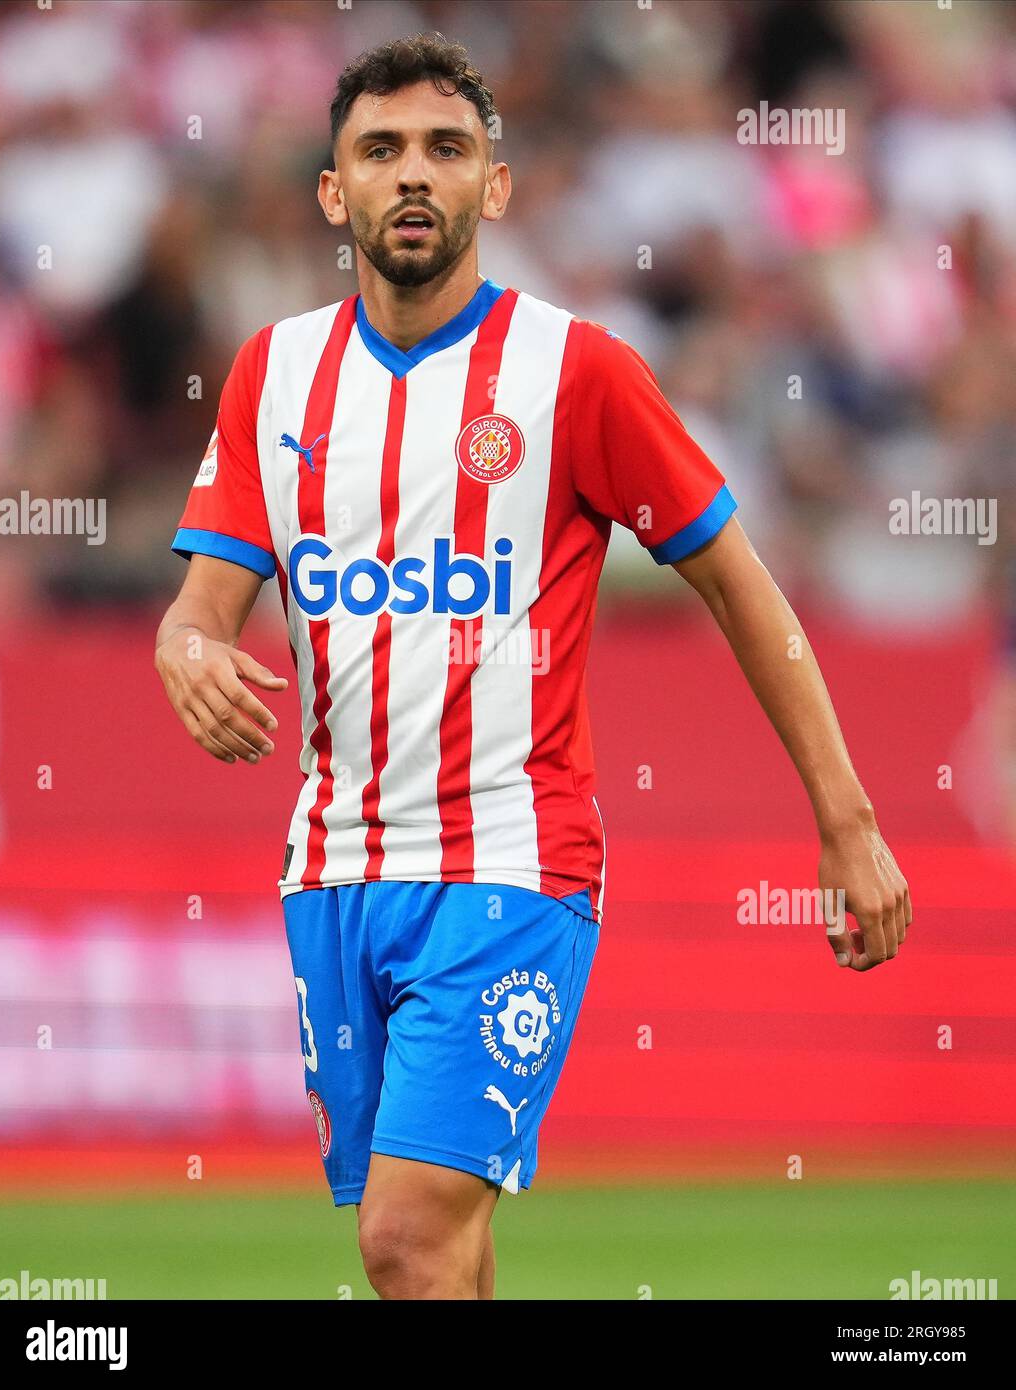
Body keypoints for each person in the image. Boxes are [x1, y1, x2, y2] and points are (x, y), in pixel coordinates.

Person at [154, 32, 911, 1301]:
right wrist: (187, 653)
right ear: (332, 192)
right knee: (444, 1253)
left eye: (446, 151)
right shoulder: (272, 374)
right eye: (379, 151)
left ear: (493, 188)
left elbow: (739, 582)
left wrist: (847, 818)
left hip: (513, 859)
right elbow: (198, 608)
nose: (414, 176)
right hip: (333, 865)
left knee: (399, 1236)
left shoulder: (576, 371)